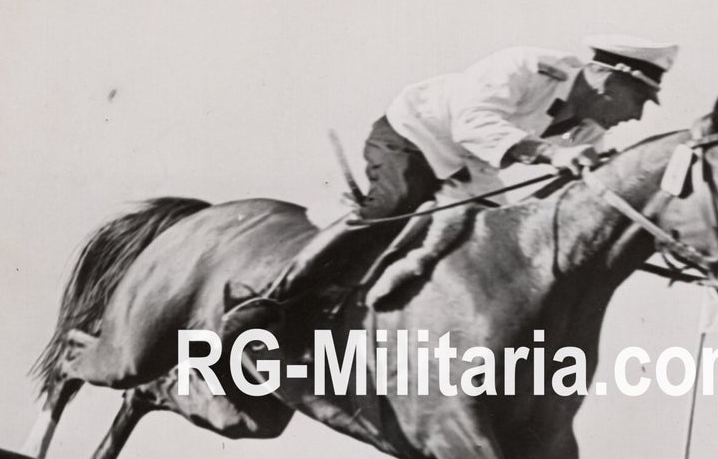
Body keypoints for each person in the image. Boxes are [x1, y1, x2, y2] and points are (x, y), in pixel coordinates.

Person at [222, 34, 678, 336]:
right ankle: (269, 300)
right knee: (396, 205)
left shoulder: (592, 130)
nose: (636, 115)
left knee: (502, 244)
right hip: (417, 135)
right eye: (637, 98)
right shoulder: (526, 66)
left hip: (471, 167)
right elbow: (472, 125)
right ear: (603, 76)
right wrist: (553, 154)